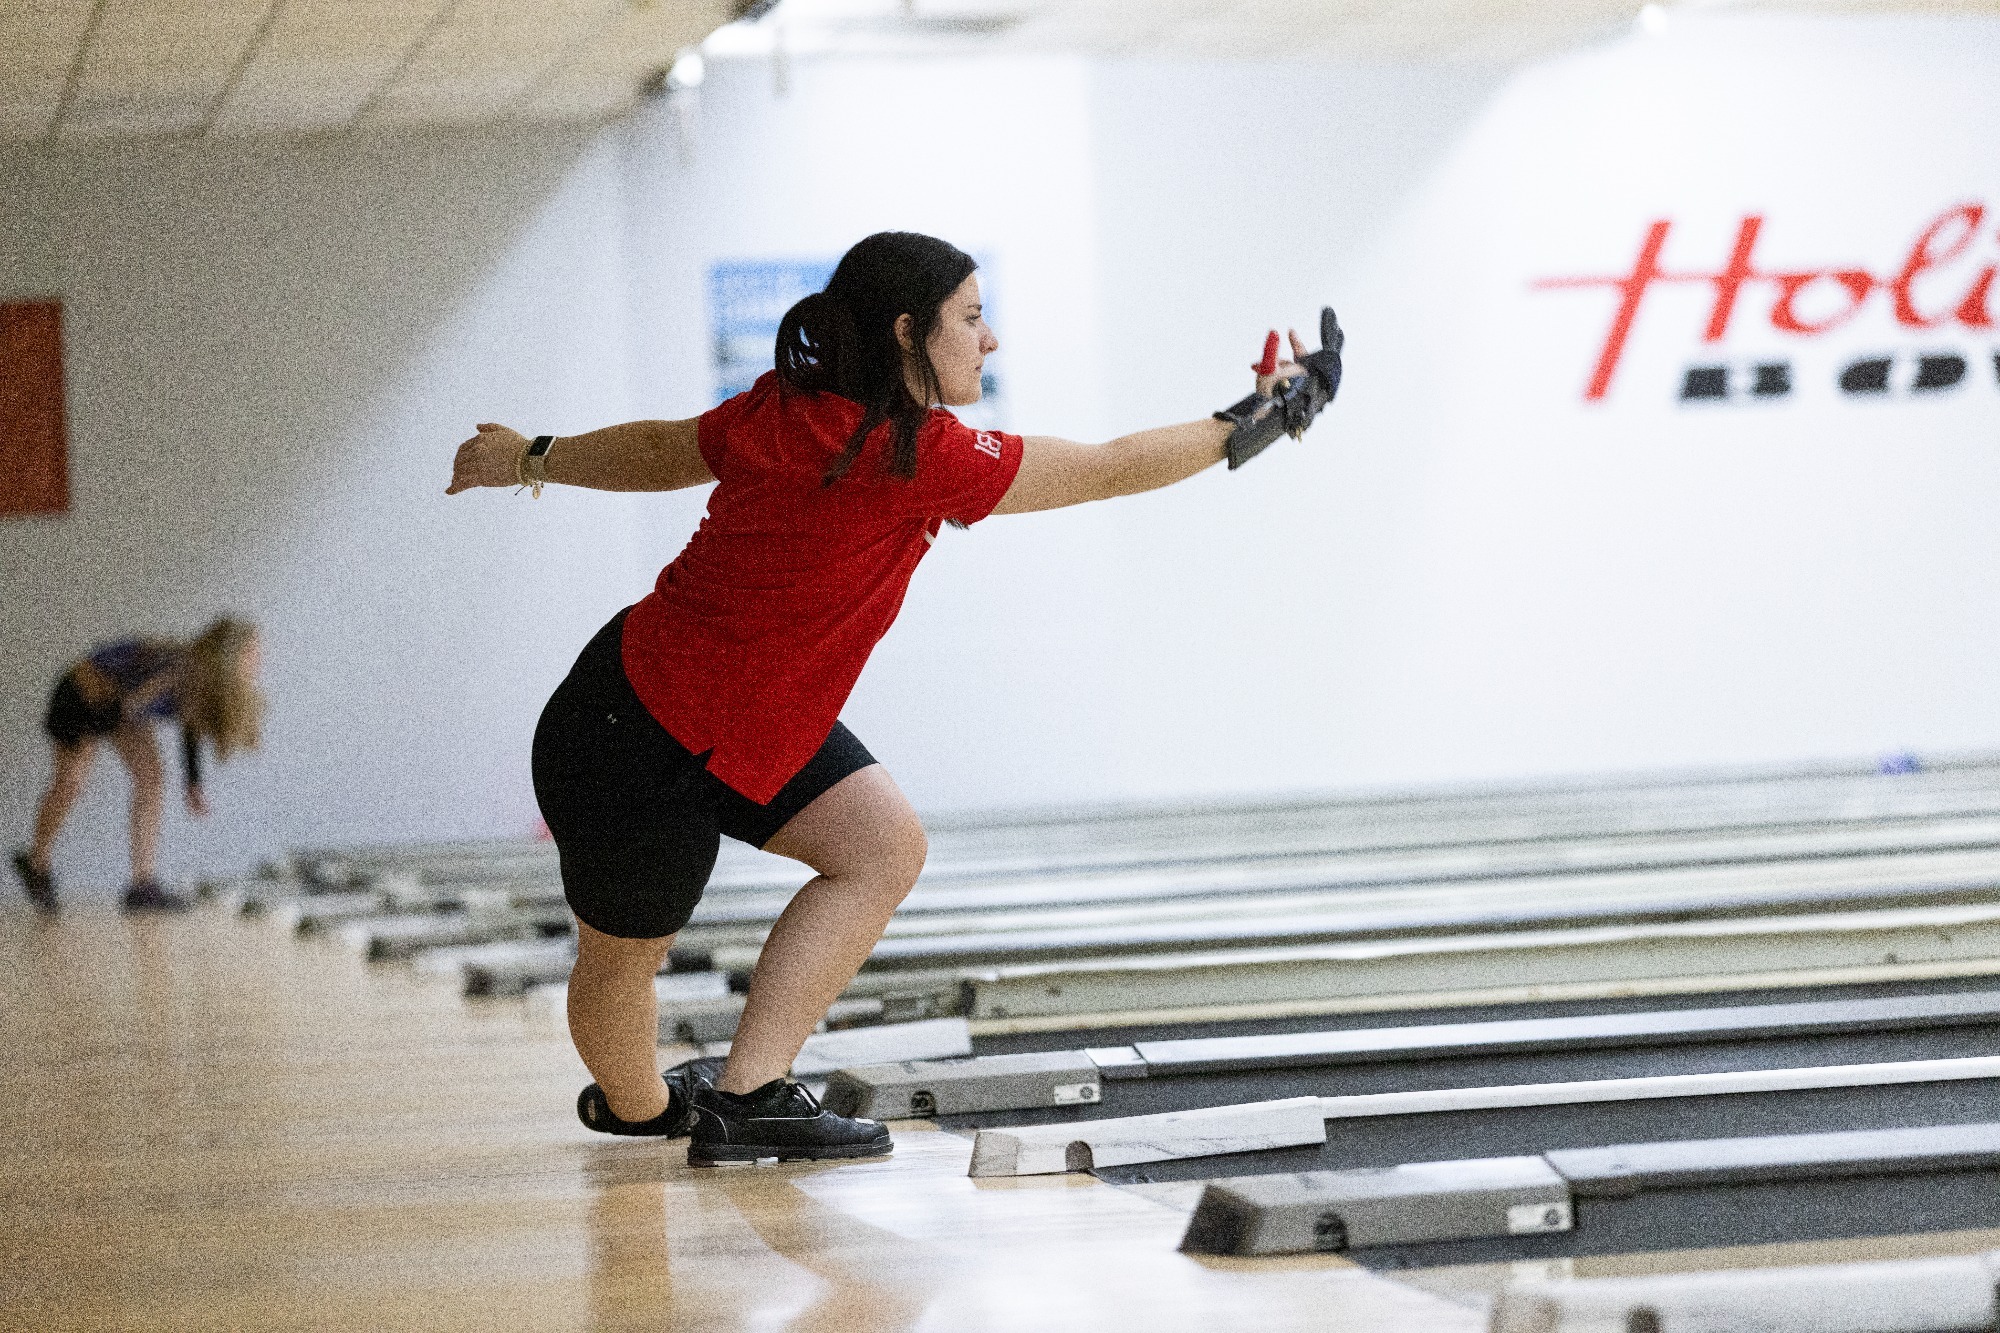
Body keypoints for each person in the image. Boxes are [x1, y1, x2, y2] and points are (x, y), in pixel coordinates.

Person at [444, 231, 1333, 1166]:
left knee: (881, 847)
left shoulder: (797, 410)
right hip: (632, 729)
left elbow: (666, 450)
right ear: (910, 331)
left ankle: (748, 1094)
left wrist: (532, 455)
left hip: (746, 717)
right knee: (624, 961)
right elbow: (1107, 466)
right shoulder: (913, 452)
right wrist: (1261, 417)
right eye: (972, 318)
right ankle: (638, 1109)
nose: (989, 341)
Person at [12, 617, 264, 913]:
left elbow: (190, 723)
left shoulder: (203, 682)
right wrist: (91, 738)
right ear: (229, 653)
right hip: (81, 698)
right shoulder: (177, 668)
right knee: (71, 783)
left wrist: (193, 782)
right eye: (253, 653)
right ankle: (36, 864)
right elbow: (119, 707)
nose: (258, 662)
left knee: (152, 779)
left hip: (121, 709)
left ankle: (142, 887)